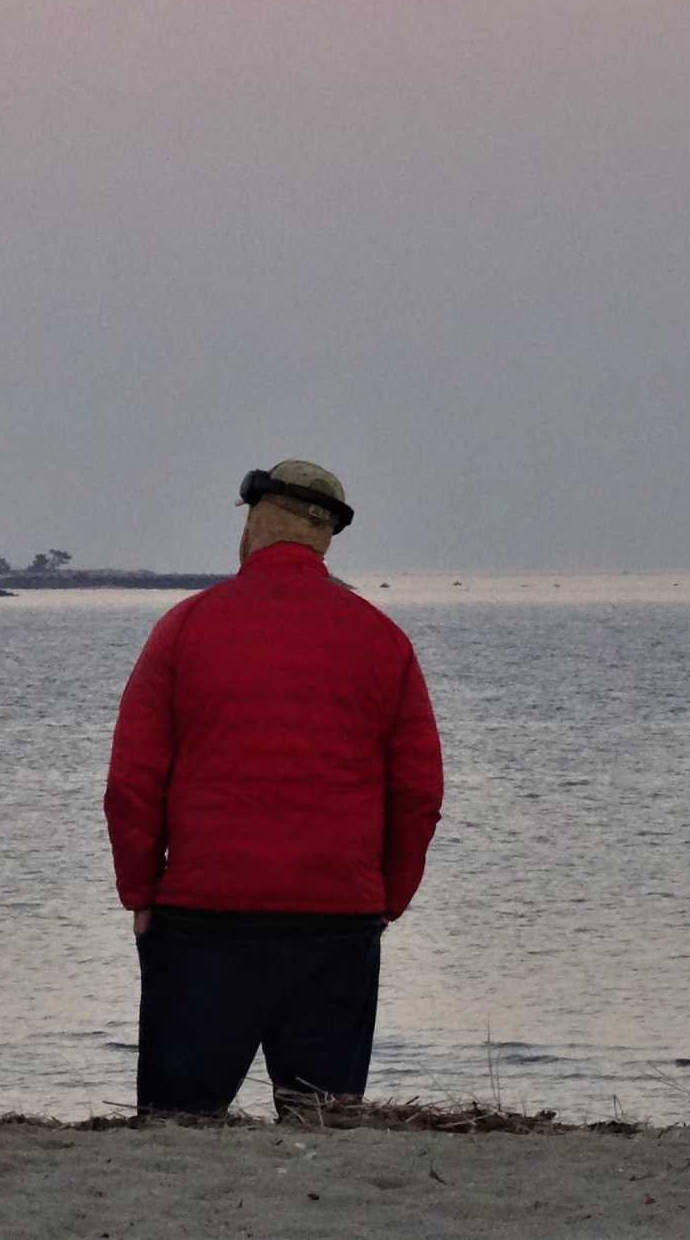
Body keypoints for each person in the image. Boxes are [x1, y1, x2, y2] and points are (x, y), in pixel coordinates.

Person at [104, 460, 445, 1117]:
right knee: (322, 1123)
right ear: (325, 536)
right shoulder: (382, 639)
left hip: (204, 918)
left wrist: (140, 891)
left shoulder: (185, 628)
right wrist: (388, 897)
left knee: (181, 1122)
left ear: (255, 524)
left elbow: (132, 782)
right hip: (337, 920)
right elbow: (419, 792)